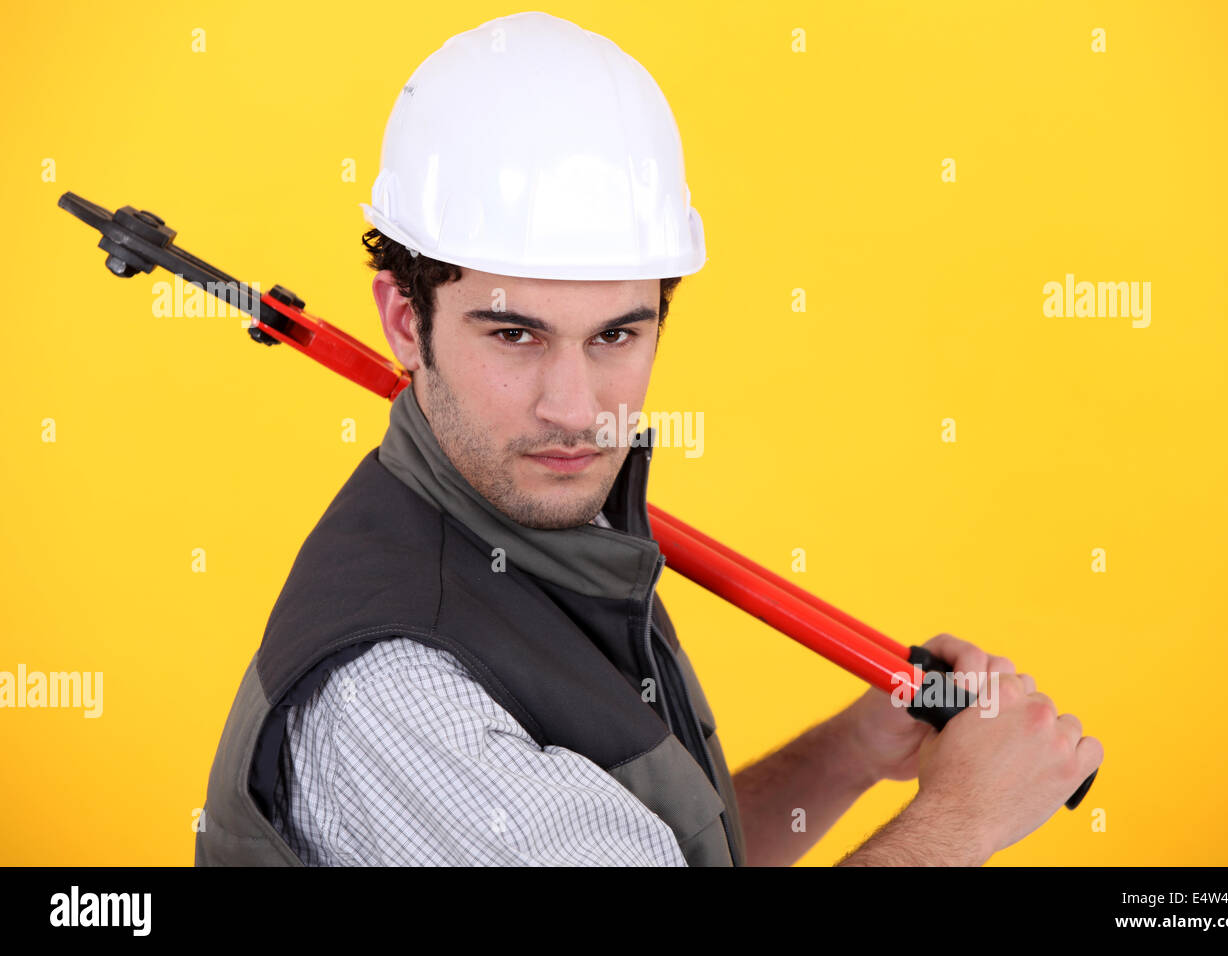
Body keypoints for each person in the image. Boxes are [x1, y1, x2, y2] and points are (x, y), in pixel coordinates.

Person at [195, 11, 1101, 868]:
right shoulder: (397, 696)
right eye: (515, 335)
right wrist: (960, 821)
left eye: (617, 335)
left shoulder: (543, 540)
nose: (576, 407)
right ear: (405, 319)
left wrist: (850, 752)